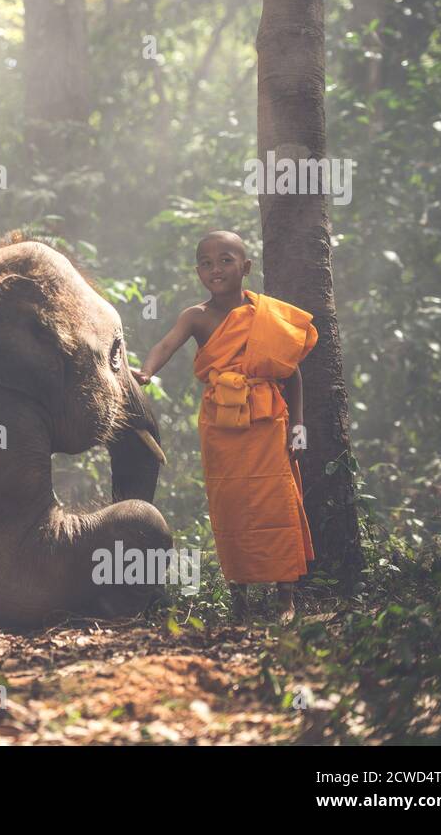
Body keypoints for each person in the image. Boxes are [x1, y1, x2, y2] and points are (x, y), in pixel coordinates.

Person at [132, 231, 317, 622]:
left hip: (268, 423)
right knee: (230, 507)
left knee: (277, 504)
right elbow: (166, 345)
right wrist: (146, 372)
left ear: (246, 267)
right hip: (222, 426)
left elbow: (293, 375)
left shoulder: (268, 315)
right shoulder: (196, 316)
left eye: (226, 260)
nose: (215, 269)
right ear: (198, 270)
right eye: (206, 262)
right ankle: (240, 598)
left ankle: (286, 598)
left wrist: (298, 429)